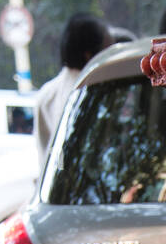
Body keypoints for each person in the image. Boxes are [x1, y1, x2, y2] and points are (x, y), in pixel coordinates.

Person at [34, 13, 110, 164]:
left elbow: (44, 156)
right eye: (109, 47)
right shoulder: (97, 90)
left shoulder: (46, 94)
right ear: (90, 55)